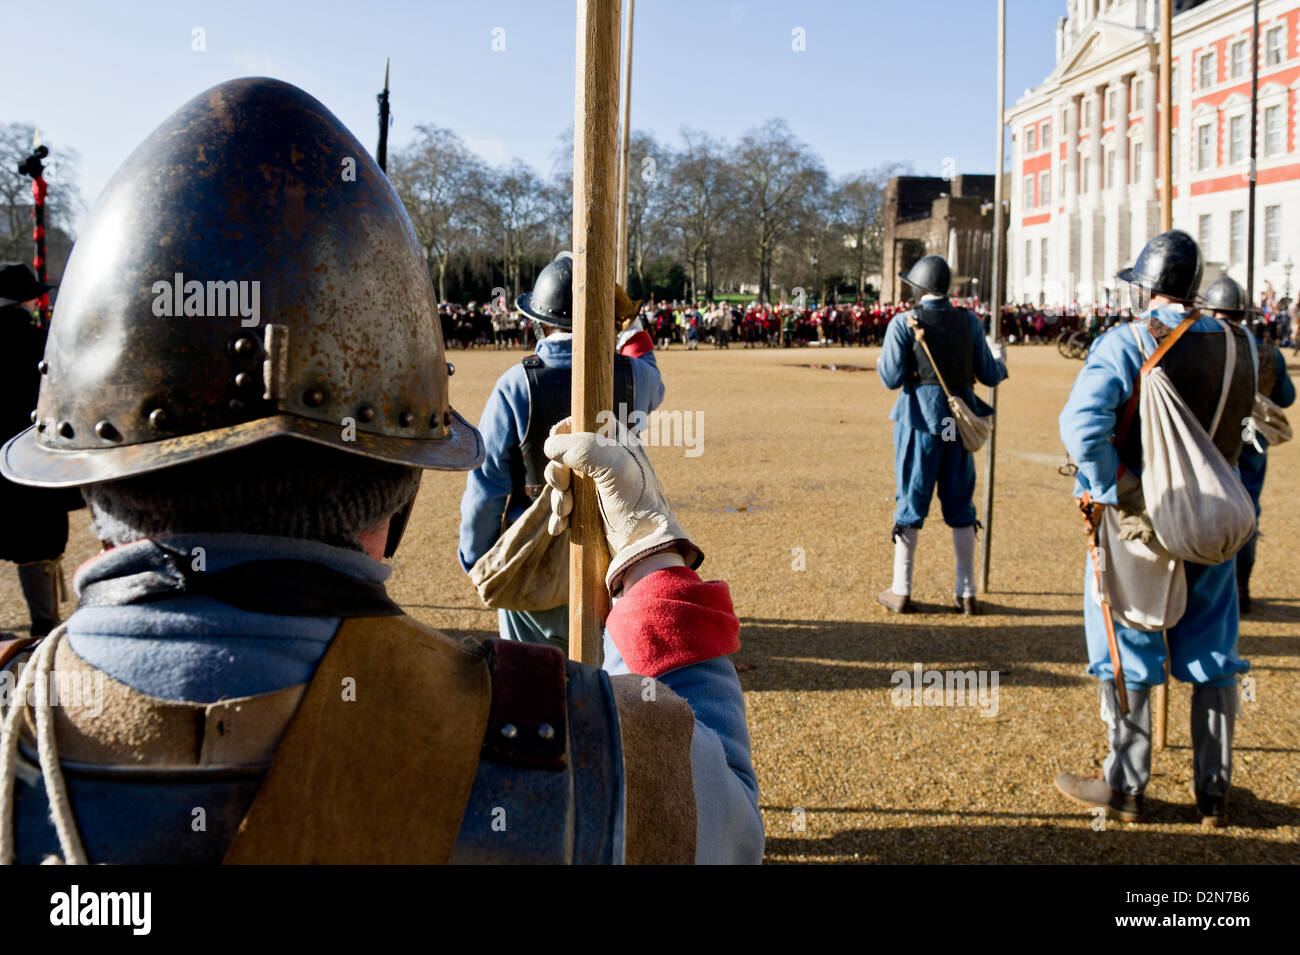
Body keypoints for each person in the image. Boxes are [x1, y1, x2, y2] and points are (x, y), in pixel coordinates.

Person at [0, 78, 761, 866]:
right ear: (398, 485)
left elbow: (490, 497)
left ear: (87, 478)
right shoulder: (563, 742)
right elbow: (729, 821)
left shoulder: (14, 717)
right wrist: (648, 560)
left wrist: (481, 557)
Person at [1056, 230, 1253, 827]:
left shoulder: (1128, 340)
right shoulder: (1241, 341)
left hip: (1141, 522)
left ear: (1145, 288)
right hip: (1215, 516)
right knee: (1215, 654)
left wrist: (1125, 489)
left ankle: (1125, 784)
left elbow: (1082, 429)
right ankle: (1213, 793)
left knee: (1129, 647)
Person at [458, 253, 664, 651]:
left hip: (534, 557)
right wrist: (632, 326)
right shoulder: (637, 378)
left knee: (534, 687)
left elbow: (488, 487)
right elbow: (650, 369)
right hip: (614, 554)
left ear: (540, 321)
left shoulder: (515, 384)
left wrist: (478, 557)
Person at [876, 255, 1007, 615]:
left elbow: (889, 377)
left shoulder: (905, 322)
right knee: (960, 503)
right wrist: (1000, 358)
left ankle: (901, 589)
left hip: (919, 419)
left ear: (918, 287)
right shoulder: (969, 321)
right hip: (957, 423)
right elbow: (990, 374)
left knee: (911, 502)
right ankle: (966, 591)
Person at [1200, 276, 1296, 613]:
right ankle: (1241, 588)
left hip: (1213, 437)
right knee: (1248, 511)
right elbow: (1286, 397)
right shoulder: (1267, 351)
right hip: (1251, 437)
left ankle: (1210, 586)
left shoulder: (1201, 346)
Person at [0, 263, 74, 637]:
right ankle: (44, 623)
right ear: (27, 300)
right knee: (38, 544)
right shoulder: (43, 342)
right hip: (29, 460)